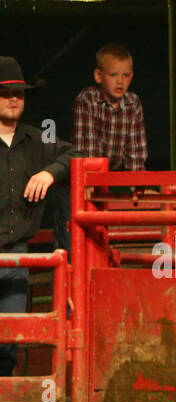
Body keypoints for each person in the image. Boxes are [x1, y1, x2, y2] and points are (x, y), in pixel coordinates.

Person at [0, 57, 76, 382]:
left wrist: (48, 172)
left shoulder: (37, 139)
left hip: (17, 255)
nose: (15, 99)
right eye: (6, 94)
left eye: (20, 93)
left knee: (11, 342)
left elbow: (75, 153)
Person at [72, 44, 147, 172]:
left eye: (126, 75)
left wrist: (139, 189)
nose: (120, 81)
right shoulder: (88, 99)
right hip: (88, 177)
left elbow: (135, 154)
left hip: (115, 177)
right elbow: (87, 153)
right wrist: (91, 187)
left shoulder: (133, 103)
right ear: (98, 76)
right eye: (113, 75)